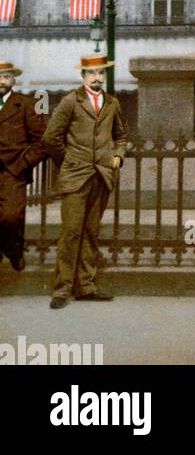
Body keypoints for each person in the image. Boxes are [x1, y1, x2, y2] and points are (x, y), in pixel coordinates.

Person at [42, 54, 127, 309]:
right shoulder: (70, 101)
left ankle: (86, 287)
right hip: (75, 177)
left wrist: (117, 156)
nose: (97, 77)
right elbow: (50, 138)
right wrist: (69, 161)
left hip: (101, 176)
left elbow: (121, 135)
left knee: (90, 232)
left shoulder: (112, 103)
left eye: (101, 73)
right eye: (92, 73)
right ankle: (62, 289)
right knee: (71, 232)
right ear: (83, 76)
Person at [0, 61, 48, 271]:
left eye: (6, 77)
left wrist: (23, 163)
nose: (2, 81)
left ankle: (14, 249)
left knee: (10, 217)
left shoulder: (25, 104)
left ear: (13, 80)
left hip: (13, 171)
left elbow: (42, 142)